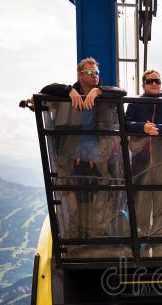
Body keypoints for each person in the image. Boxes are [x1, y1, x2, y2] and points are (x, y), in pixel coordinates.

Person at [39, 58, 122, 239]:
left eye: (96, 73)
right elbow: (46, 90)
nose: (94, 77)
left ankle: (94, 234)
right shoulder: (70, 93)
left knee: (98, 197)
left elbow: (121, 92)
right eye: (90, 73)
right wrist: (69, 91)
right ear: (80, 75)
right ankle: (73, 235)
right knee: (72, 197)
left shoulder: (103, 94)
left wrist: (97, 91)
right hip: (73, 156)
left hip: (98, 156)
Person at [125, 69, 162, 238]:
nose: (154, 84)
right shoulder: (135, 103)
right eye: (150, 81)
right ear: (143, 84)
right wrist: (143, 127)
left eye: (157, 81)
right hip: (140, 160)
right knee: (141, 201)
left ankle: (160, 237)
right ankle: (142, 235)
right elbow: (126, 123)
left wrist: (158, 128)